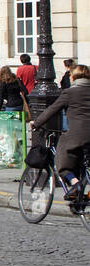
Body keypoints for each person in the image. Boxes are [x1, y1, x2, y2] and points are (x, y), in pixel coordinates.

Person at [33, 64, 90, 200]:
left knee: (62, 164)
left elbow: (52, 110)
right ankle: (78, 197)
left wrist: (36, 123)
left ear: (74, 77)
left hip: (77, 135)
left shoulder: (69, 93)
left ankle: (75, 184)